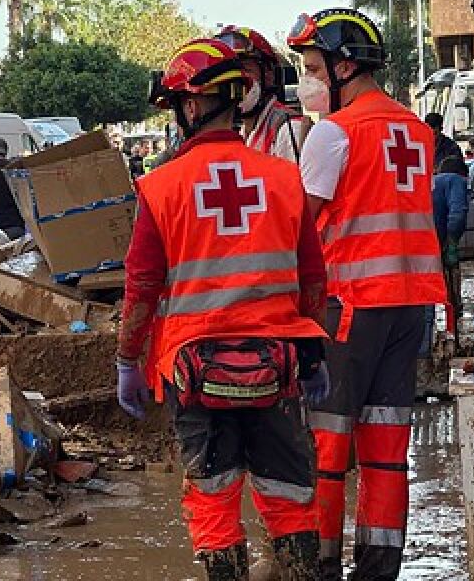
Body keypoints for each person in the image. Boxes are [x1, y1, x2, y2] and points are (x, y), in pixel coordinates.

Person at [118, 38, 331, 581]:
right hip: (278, 365)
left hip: (195, 370)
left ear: (192, 105)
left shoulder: (161, 186)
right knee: (288, 494)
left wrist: (128, 361)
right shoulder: (284, 178)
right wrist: (316, 352)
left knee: (212, 497)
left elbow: (142, 285)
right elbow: (313, 276)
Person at [287, 8, 447, 580]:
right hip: (412, 306)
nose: (306, 80)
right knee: (385, 448)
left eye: (311, 67)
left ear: (343, 66)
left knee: (329, 445)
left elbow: (301, 231)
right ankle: (379, 569)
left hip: (350, 305)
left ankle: (322, 568)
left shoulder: (335, 132)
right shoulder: (415, 128)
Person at [214, 25, 315, 163]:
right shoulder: (243, 133)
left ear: (269, 75)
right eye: (229, 75)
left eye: (245, 70)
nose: (237, 82)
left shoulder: (289, 130)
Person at [432, 156, 470, 341]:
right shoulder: (455, 181)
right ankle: (453, 334)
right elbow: (458, 213)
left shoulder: (432, 181)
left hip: (421, 244)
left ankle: (426, 349)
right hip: (439, 242)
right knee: (451, 295)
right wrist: (452, 241)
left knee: (426, 296)